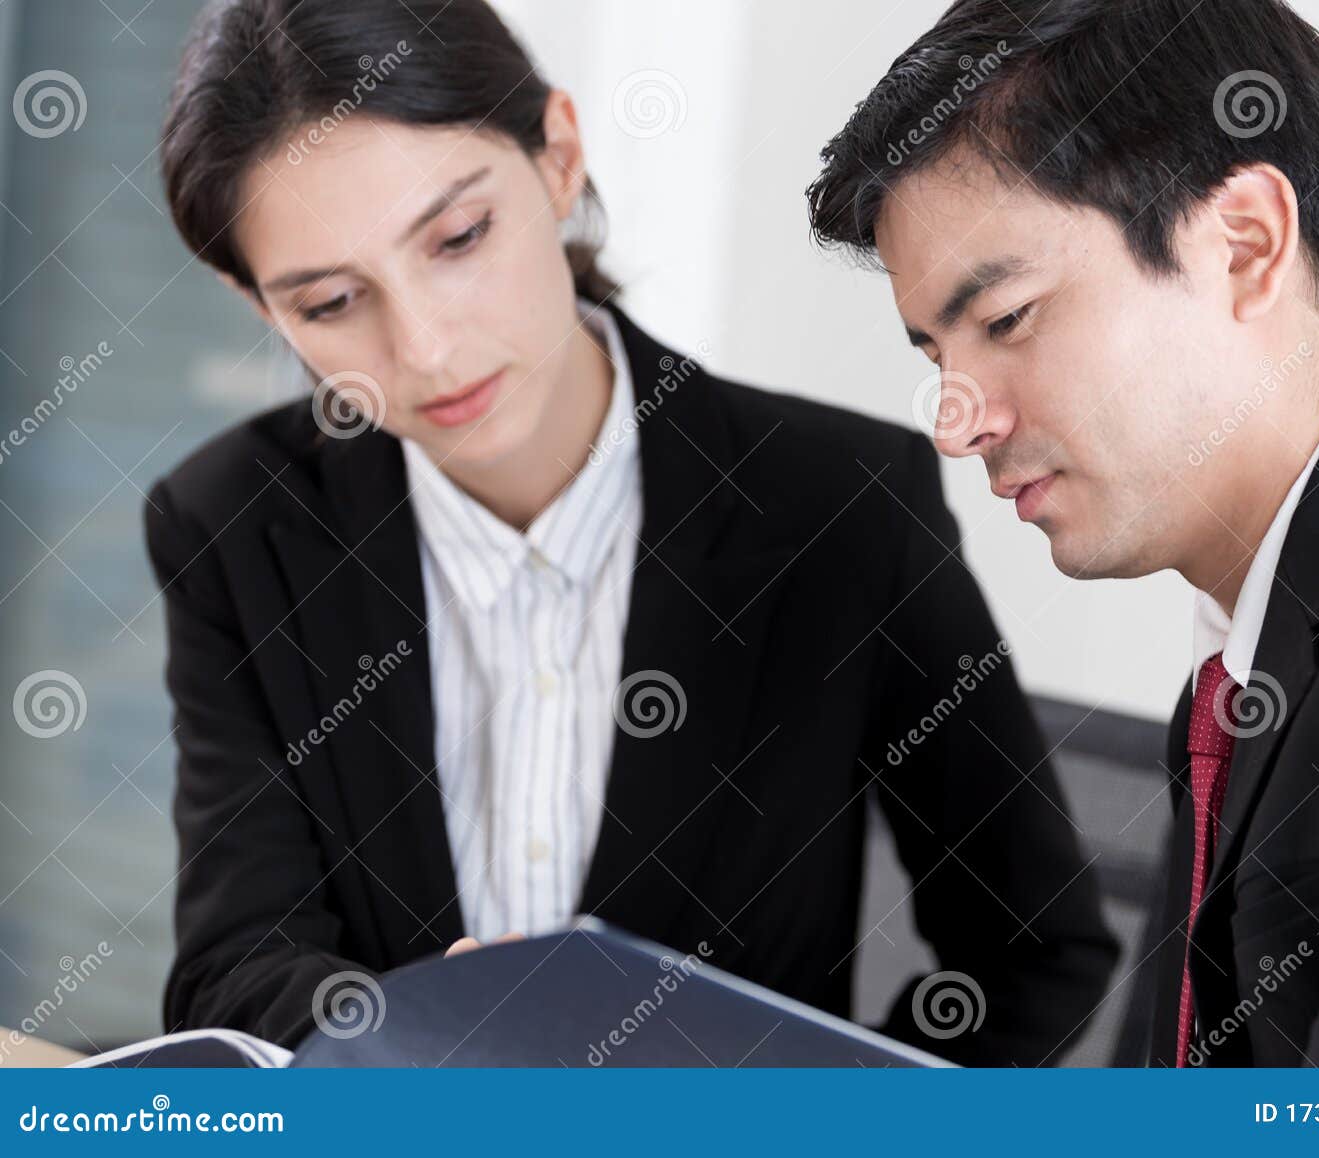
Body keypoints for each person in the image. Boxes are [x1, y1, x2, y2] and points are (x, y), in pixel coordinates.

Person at [145, 0, 1115, 1065]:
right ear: (260, 306)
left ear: (558, 158)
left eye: (459, 239)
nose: (424, 348)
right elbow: (236, 960)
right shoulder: (232, 525)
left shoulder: (839, 505)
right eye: (330, 302)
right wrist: (403, 1045)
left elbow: (1033, 951)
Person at [808, 0, 1319, 1065]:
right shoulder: (1246, 672)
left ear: (1243, 245)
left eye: (1003, 322)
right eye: (936, 356)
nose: (961, 421)